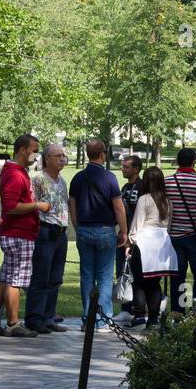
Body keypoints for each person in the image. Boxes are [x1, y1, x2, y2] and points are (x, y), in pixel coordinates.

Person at [0, 133, 46, 337]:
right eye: (34, 150)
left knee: (5, 277)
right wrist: (37, 205)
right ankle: (13, 323)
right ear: (23, 149)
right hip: (19, 234)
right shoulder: (15, 174)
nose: (36, 155)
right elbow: (11, 206)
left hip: (17, 232)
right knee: (15, 280)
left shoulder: (18, 171)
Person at [67, 139, 128, 327]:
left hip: (85, 229)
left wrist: (78, 227)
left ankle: (88, 317)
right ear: (104, 153)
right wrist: (124, 231)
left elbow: (72, 205)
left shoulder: (78, 177)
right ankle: (101, 319)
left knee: (86, 274)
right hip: (104, 229)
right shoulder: (109, 177)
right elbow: (118, 207)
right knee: (104, 275)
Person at [26, 143, 70, 334]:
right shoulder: (37, 179)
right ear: (47, 158)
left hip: (61, 232)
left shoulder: (62, 181)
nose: (62, 159)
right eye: (58, 155)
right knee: (41, 276)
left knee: (55, 277)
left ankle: (48, 316)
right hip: (44, 231)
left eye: (63, 156)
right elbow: (30, 205)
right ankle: (34, 318)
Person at [127, 167, 178, 328]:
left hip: (144, 242)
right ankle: (153, 318)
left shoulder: (145, 199)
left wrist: (130, 242)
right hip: (162, 243)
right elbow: (168, 226)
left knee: (139, 281)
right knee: (155, 282)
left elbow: (137, 224)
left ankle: (140, 314)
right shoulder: (168, 201)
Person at [167, 148, 196, 313]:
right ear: (194, 161)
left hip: (175, 235)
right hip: (195, 235)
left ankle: (178, 311)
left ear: (177, 161)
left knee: (177, 277)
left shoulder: (167, 181)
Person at [117, 154, 145, 318]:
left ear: (136, 169)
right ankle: (125, 309)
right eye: (123, 166)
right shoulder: (125, 188)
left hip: (137, 238)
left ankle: (137, 309)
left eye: (126, 167)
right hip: (122, 236)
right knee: (122, 272)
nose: (123, 169)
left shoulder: (142, 187)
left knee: (137, 275)